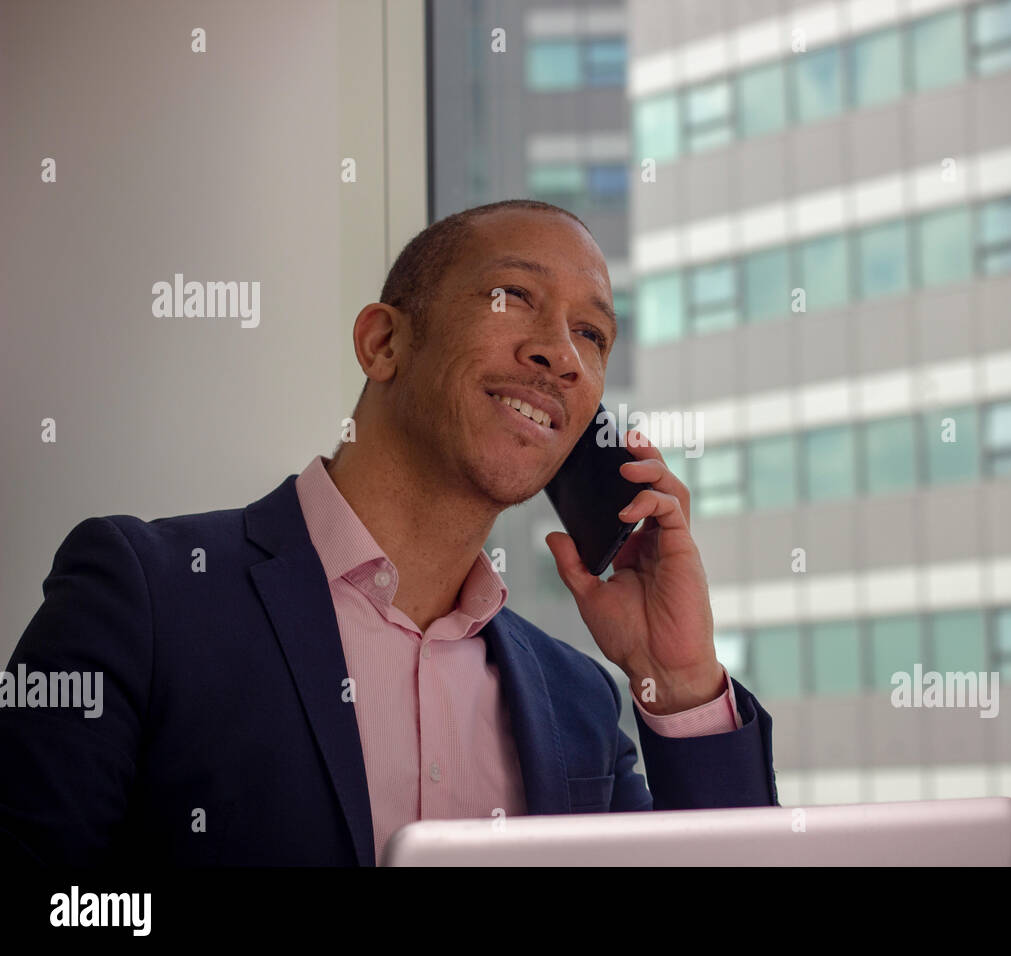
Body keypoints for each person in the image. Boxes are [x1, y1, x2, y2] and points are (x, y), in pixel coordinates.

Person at [0, 199, 777, 866]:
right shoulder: (146, 596)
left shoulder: (577, 701)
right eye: (513, 297)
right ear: (383, 344)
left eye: (594, 336)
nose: (562, 355)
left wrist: (678, 685)